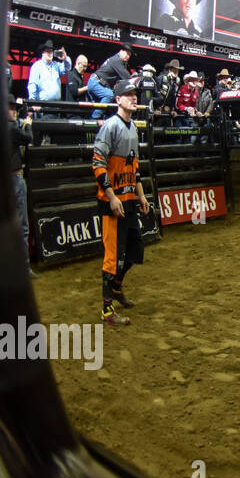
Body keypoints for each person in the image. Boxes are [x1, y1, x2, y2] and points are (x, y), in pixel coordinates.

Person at [91, 78, 152, 326]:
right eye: (128, 94)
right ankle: (106, 311)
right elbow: (97, 162)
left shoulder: (133, 128)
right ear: (118, 99)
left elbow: (134, 167)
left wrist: (141, 195)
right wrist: (112, 196)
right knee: (112, 256)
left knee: (135, 250)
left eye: (135, 93)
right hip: (112, 202)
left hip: (127, 200)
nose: (133, 97)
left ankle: (116, 287)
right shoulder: (110, 127)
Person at [9, 96, 32, 274]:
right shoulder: (11, 128)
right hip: (14, 178)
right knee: (22, 225)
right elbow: (27, 138)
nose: (14, 112)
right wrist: (29, 123)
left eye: (15, 109)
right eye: (11, 108)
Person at [85, 43, 133, 110]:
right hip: (97, 83)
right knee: (110, 95)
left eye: (129, 55)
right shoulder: (117, 60)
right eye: (126, 53)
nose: (127, 56)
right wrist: (136, 77)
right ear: (121, 51)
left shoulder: (115, 59)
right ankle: (95, 119)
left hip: (95, 82)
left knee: (98, 107)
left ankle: (93, 119)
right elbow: (127, 77)